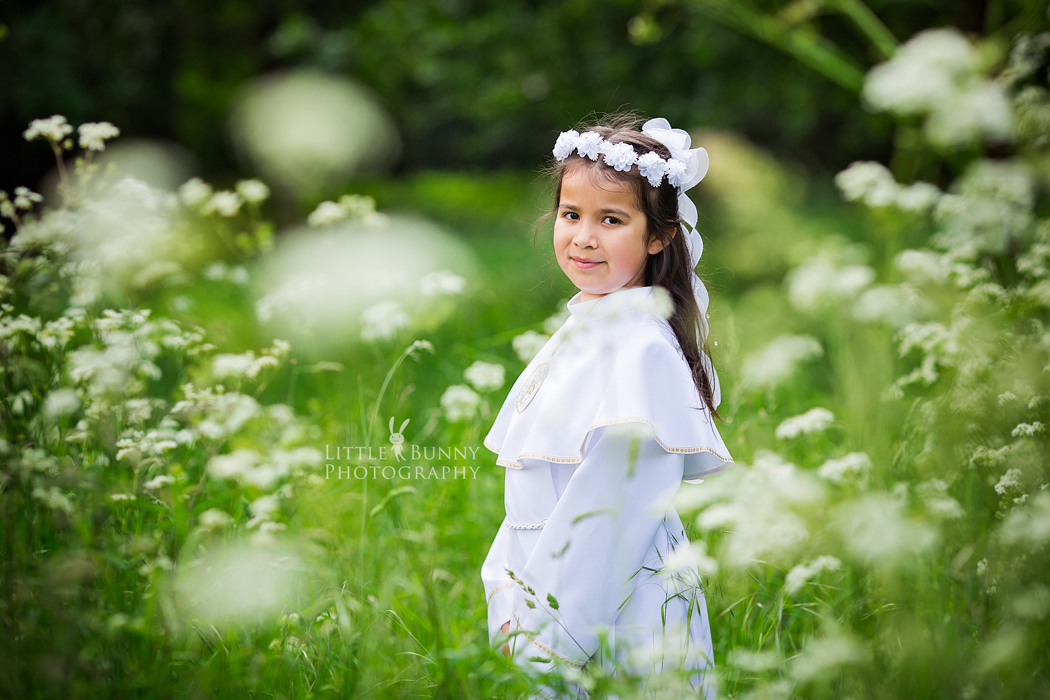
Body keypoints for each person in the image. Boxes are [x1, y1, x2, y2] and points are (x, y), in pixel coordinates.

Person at [479, 113, 736, 699]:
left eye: (611, 220)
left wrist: (543, 645)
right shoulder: (590, 323)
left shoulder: (641, 348)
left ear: (658, 236)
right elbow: (531, 501)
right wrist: (504, 583)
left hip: (609, 606)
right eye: (571, 215)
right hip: (548, 588)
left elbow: (613, 511)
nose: (583, 237)